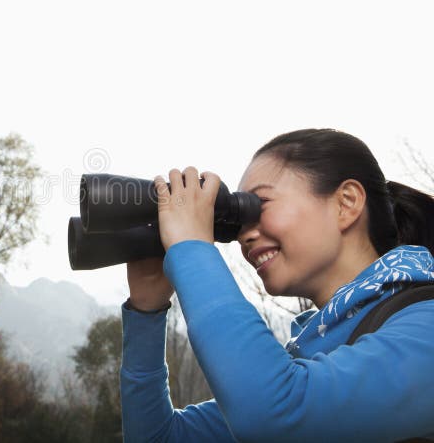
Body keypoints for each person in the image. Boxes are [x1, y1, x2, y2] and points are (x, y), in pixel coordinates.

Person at [121, 129, 434, 442]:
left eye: (260, 204)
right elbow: (159, 438)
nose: (245, 235)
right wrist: (146, 311)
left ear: (346, 202)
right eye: (240, 222)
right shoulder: (307, 360)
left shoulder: (425, 327)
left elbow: (277, 414)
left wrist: (192, 248)